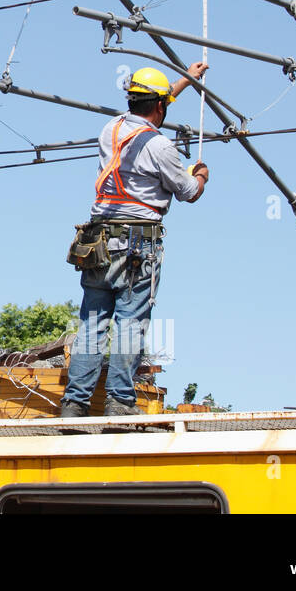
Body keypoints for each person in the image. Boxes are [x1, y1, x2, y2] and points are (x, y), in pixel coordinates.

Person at [59, 65, 210, 418]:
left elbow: (154, 101)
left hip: (97, 238)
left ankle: (74, 403)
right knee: (130, 322)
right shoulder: (160, 146)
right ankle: (119, 402)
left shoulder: (110, 129)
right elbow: (188, 192)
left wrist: (185, 79)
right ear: (160, 106)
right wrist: (202, 175)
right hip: (137, 242)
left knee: (92, 322)